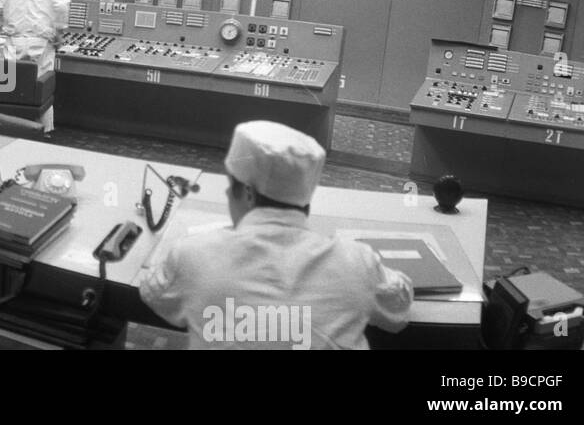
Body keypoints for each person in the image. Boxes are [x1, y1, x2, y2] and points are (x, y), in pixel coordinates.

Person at [139, 121, 413, 349]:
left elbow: (153, 294)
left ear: (247, 192)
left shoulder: (192, 254)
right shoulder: (358, 261)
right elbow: (397, 313)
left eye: (230, 187)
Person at [0, 0, 69, 132]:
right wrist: (59, 32)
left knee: (10, 87)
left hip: (14, 40)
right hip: (41, 42)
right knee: (42, 91)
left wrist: (3, 23)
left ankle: (8, 130)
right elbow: (61, 5)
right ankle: (46, 132)